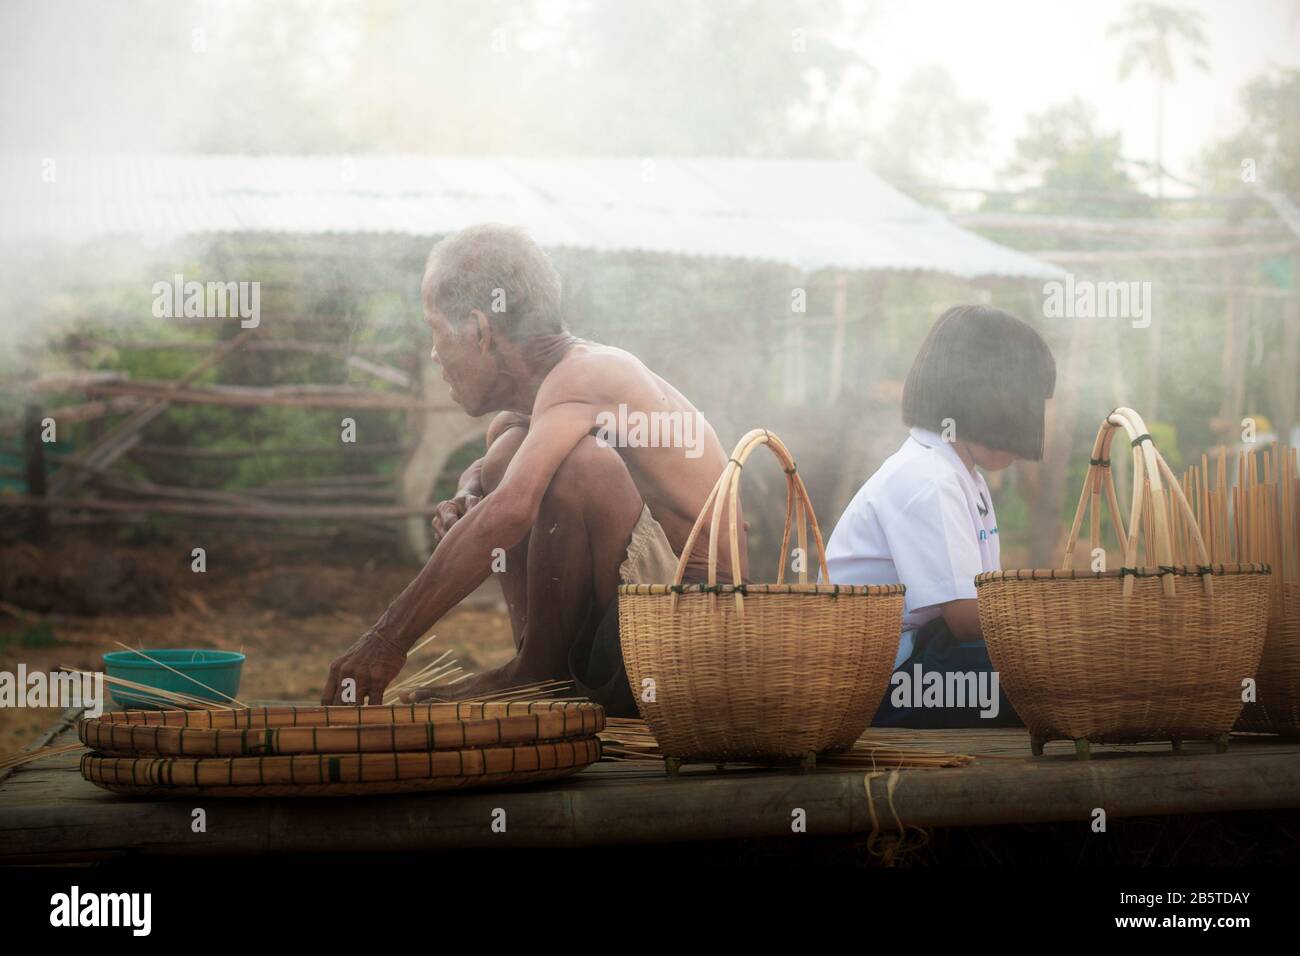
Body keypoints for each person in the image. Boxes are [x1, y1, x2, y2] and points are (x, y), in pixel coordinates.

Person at [321, 224, 742, 715]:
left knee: (580, 468)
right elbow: (494, 472)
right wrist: (467, 491)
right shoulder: (545, 405)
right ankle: (539, 669)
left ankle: (538, 676)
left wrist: (386, 639)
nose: (434, 354)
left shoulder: (588, 373)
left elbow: (512, 511)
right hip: (627, 635)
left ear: (480, 330)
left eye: (435, 332)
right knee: (505, 453)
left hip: (696, 635)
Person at [824, 305, 1056, 728]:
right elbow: (969, 619)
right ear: (987, 402)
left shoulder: (960, 473)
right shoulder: (928, 477)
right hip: (880, 684)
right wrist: (1054, 622)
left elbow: (986, 601)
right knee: (1051, 676)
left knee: (1047, 665)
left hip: (924, 655)